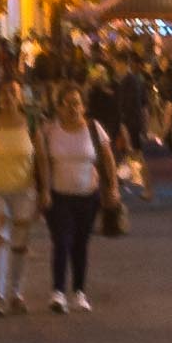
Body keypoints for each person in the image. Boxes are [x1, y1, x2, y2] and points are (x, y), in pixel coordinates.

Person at [34, 79, 113, 313]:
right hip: (59, 197)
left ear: (83, 106)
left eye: (77, 103)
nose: (73, 108)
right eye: (67, 104)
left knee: (81, 244)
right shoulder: (50, 130)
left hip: (88, 196)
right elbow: (43, 163)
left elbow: (107, 158)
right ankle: (58, 292)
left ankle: (79, 291)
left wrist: (113, 188)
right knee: (61, 242)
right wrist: (45, 191)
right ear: (58, 107)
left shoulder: (93, 128)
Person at [0, 77, 45, 316]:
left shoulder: (32, 123)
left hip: (24, 190)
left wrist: (45, 190)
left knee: (20, 243)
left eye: (13, 93)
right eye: (3, 94)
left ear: (21, 97)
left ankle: (16, 292)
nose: (8, 98)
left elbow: (41, 159)